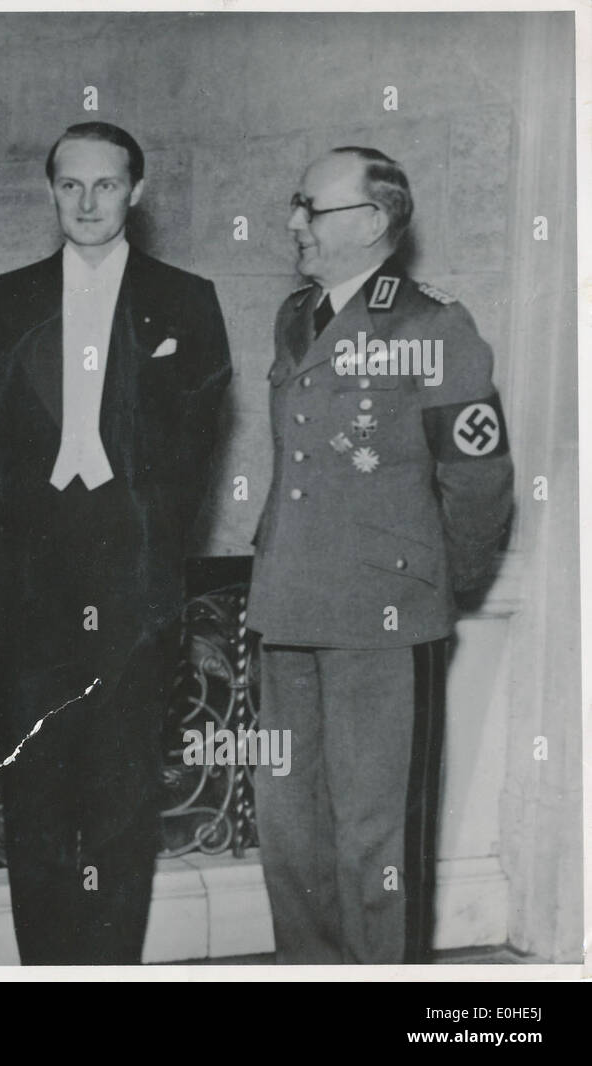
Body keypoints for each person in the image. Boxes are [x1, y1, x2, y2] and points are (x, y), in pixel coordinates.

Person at [0, 122, 232, 964]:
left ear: (136, 193)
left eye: (106, 185)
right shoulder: (1, 297)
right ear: (50, 192)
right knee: (36, 801)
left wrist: (136, 542)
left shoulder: (186, 299)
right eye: (70, 185)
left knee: (120, 807)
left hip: (132, 588)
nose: (87, 202)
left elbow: (194, 450)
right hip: (30, 586)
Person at [247, 147, 515, 963]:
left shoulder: (433, 325)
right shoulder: (296, 316)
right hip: (289, 609)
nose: (294, 222)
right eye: (296, 203)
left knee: (376, 841)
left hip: (384, 618)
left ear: (371, 223)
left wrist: (441, 590)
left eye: (311, 208)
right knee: (291, 834)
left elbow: (478, 480)